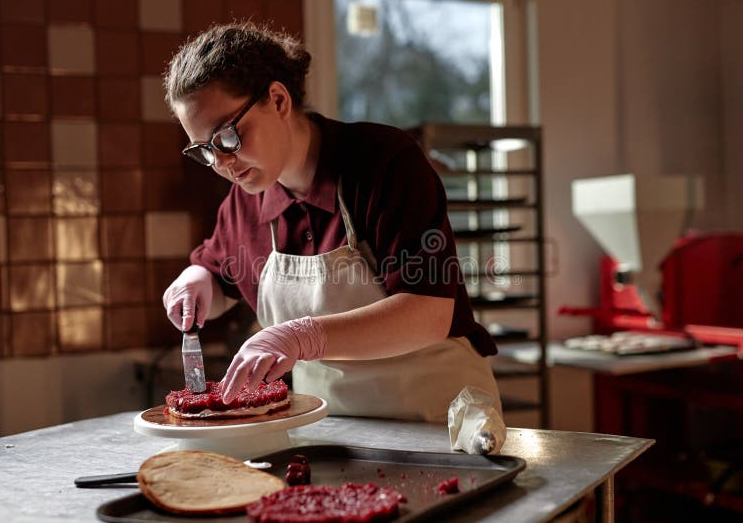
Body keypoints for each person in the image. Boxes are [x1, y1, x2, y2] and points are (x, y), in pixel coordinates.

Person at [161, 22, 502, 422]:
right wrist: (197, 280)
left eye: (228, 138)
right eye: (205, 150)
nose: (221, 164)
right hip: (332, 433)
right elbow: (221, 279)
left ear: (278, 99)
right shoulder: (246, 202)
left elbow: (428, 312)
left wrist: (304, 336)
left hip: (441, 422)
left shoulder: (383, 163)